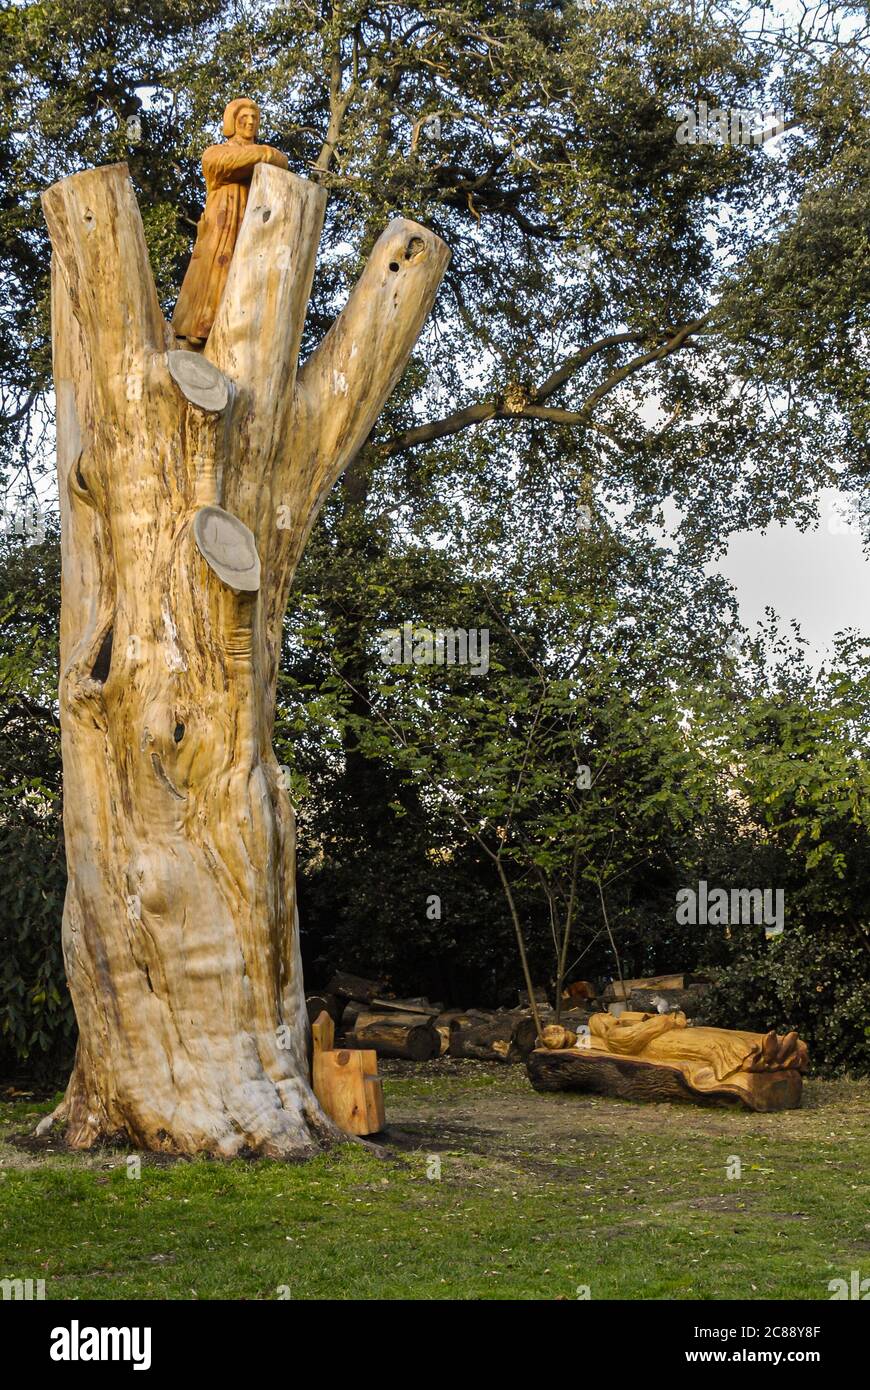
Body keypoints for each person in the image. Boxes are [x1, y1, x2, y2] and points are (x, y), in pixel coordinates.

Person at [172, 98, 288, 347]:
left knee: (247, 276)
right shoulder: (216, 153)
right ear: (232, 123)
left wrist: (266, 156)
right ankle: (199, 327)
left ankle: (237, 332)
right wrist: (263, 154)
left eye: (254, 118)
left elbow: (282, 162)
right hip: (222, 223)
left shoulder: (264, 155)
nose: (249, 122)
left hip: (252, 224)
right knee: (214, 270)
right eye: (243, 118)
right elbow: (225, 164)